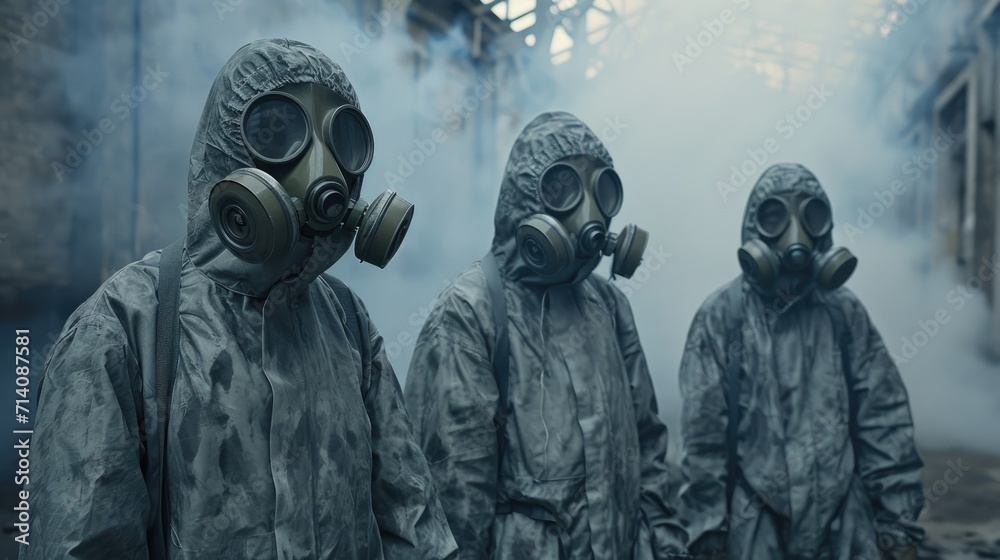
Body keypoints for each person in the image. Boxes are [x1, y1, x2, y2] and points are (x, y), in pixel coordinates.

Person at [22, 38, 457, 559]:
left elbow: (412, 521)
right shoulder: (123, 326)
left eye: (340, 138)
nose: (322, 166)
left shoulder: (346, 322)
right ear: (228, 152)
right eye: (280, 133)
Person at [404, 111, 687, 559]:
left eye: (602, 192)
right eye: (563, 190)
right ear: (525, 198)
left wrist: (666, 548)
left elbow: (648, 448)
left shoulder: (610, 307)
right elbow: (454, 505)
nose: (588, 212)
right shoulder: (471, 311)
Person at [677, 163, 924, 560]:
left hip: (844, 528)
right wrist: (705, 535)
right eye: (774, 217)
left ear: (824, 229)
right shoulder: (722, 316)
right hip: (755, 528)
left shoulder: (843, 312)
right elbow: (703, 444)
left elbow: (884, 420)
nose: (796, 236)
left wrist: (898, 525)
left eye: (810, 216)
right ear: (753, 230)